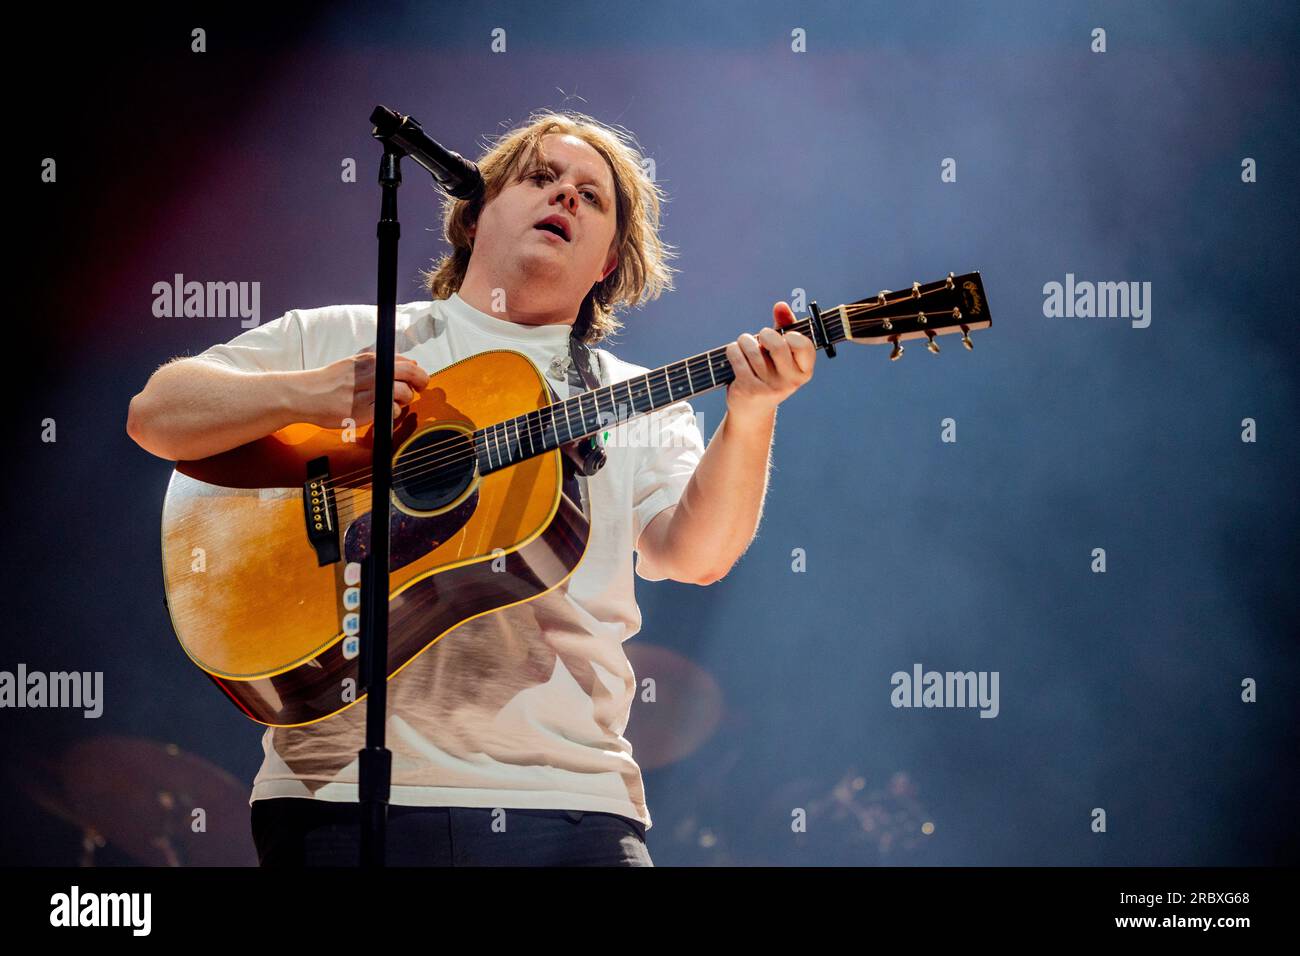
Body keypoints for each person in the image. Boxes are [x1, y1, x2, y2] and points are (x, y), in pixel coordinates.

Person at [126, 109, 816, 866]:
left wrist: (751, 415)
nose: (565, 198)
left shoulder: (641, 397)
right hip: (338, 799)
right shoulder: (350, 340)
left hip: (571, 804)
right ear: (475, 209)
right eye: (541, 178)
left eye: (592, 196)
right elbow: (158, 415)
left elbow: (694, 555)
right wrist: (308, 396)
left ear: (611, 261)